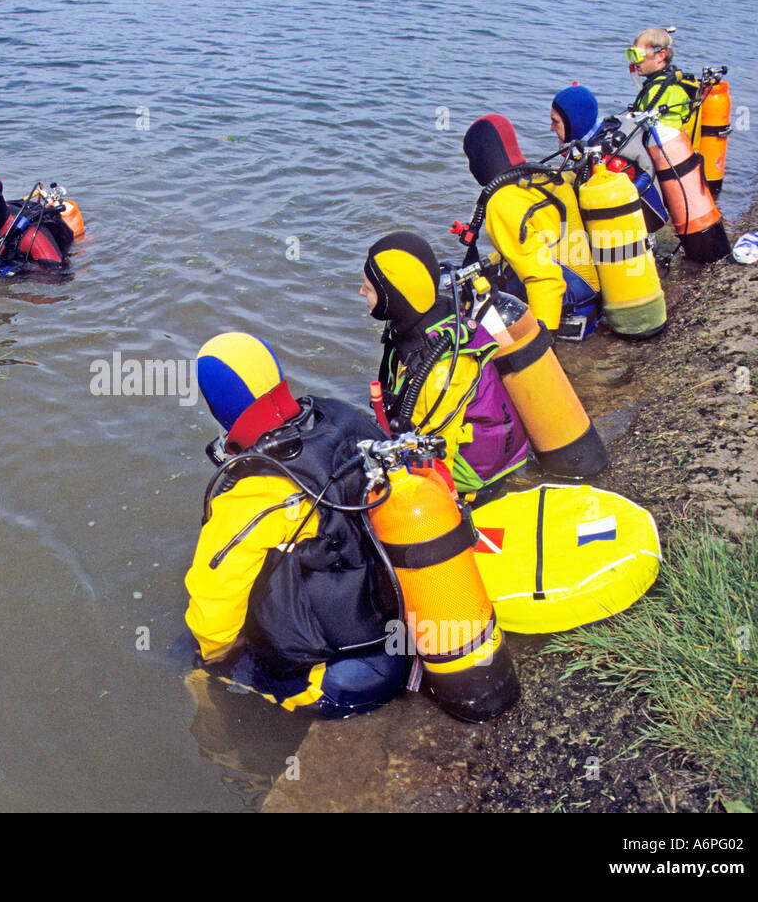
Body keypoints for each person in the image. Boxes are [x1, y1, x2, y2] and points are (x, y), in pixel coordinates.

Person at [183, 331, 408, 718]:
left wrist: (212, 659)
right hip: (406, 629)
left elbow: (214, 613)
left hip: (346, 677)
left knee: (199, 668)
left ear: (217, 404)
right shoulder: (340, 418)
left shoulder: (256, 489)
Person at [360, 232, 528, 503]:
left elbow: (438, 456)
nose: (361, 292)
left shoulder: (441, 366)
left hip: (475, 473)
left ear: (393, 295)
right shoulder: (421, 321)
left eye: (368, 288)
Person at [462, 113, 600, 336]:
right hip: (589, 297)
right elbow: (540, 240)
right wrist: (489, 262)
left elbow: (546, 280)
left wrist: (543, 348)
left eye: (470, 158)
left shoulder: (502, 201)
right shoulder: (548, 178)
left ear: (480, 157)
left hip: (566, 313)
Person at [627, 27, 695, 132]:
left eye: (638, 54)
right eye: (631, 54)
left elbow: (666, 136)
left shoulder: (664, 90)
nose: (634, 61)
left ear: (660, 56)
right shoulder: (657, 84)